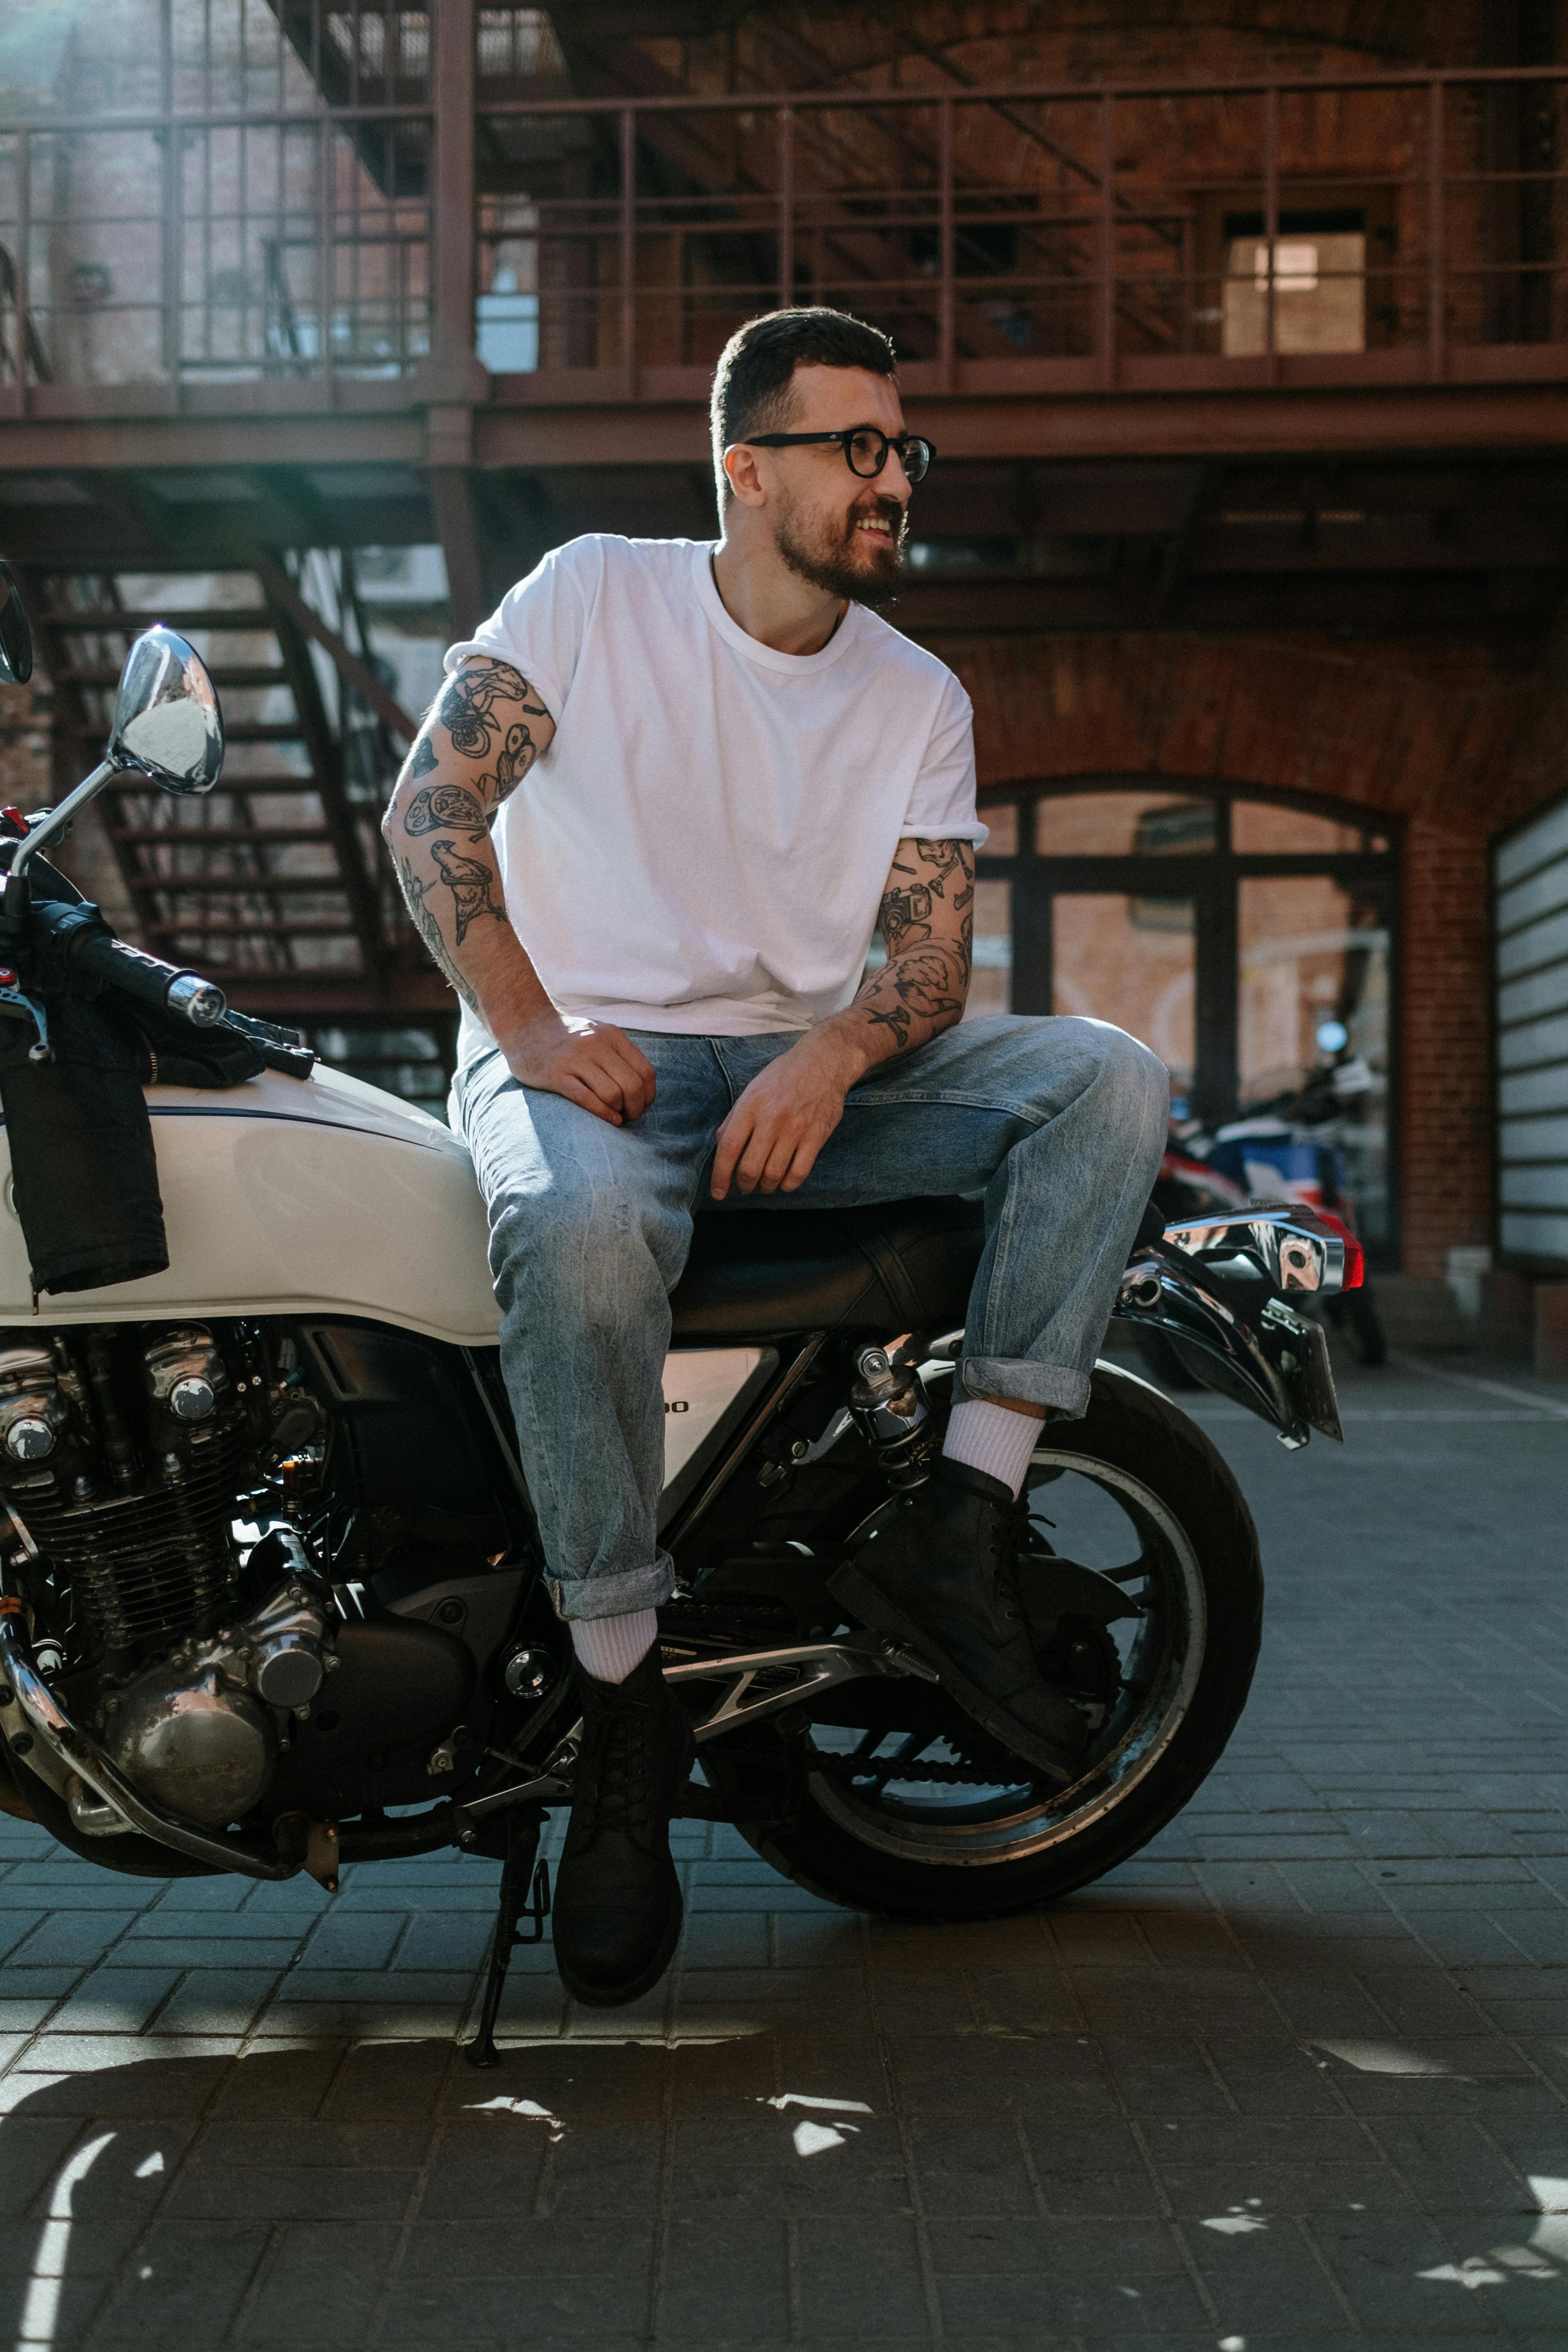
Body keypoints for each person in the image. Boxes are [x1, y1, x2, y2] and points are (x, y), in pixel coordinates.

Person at [381, 307, 1168, 2009]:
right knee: (581, 1242)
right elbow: (429, 813)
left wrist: (830, 1048)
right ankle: (615, 1712)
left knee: (1104, 1078)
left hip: (809, 1074)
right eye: (857, 450)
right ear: (746, 469)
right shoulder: (589, 594)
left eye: (907, 453)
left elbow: (924, 965)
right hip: (588, 1050)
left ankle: (959, 1520)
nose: (893, 480)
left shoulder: (914, 692)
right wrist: (523, 1034)